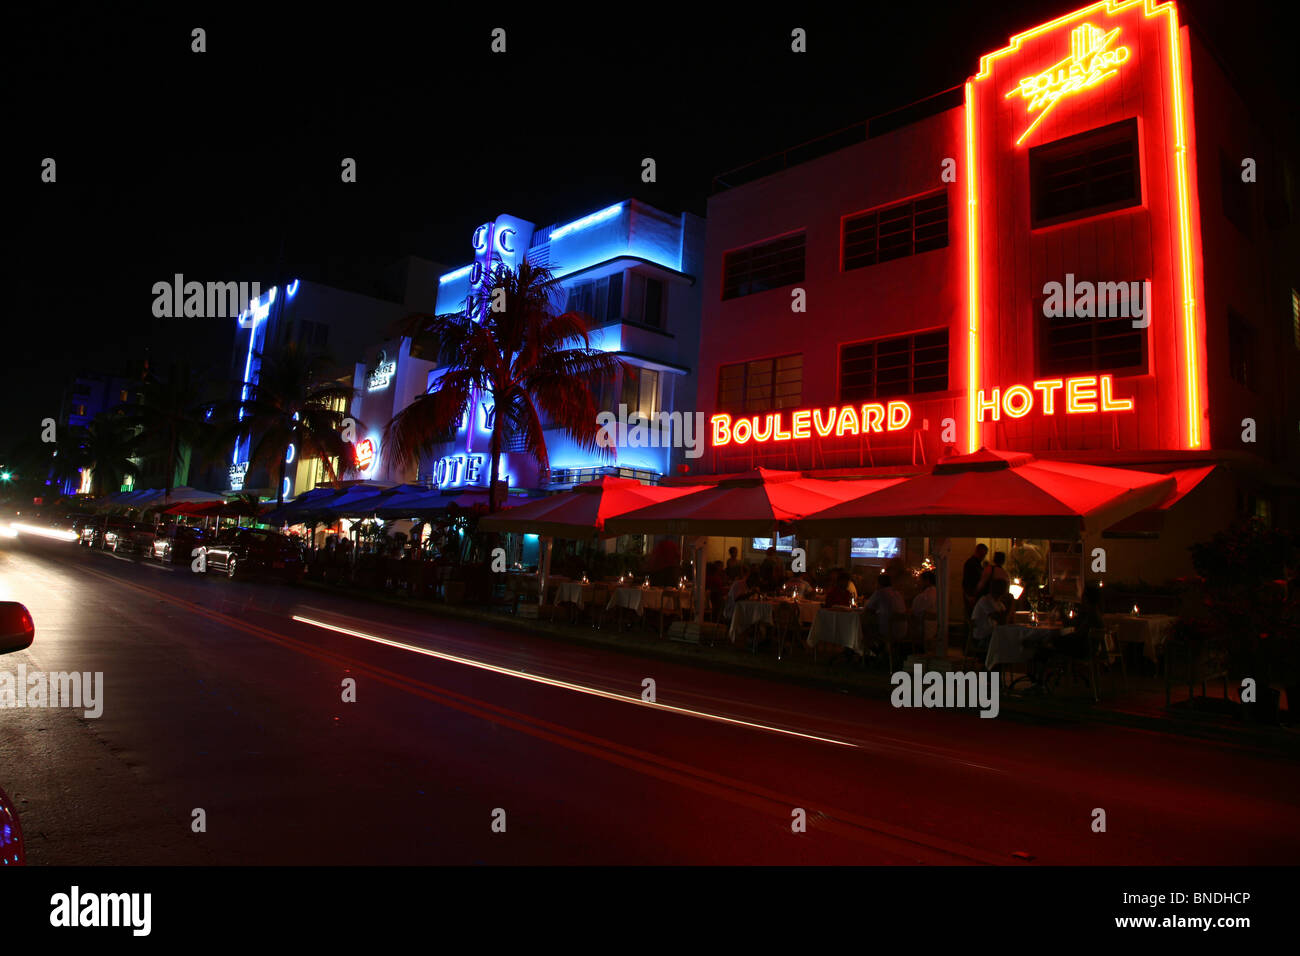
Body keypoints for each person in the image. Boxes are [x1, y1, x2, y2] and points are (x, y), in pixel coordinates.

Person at [970, 577, 1008, 653]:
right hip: (983, 636)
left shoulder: (999, 604)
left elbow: (1006, 619)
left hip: (992, 634)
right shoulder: (985, 600)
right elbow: (999, 619)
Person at [866, 573, 906, 643]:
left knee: (867, 623)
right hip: (903, 630)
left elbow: (868, 607)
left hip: (889, 629)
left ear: (879, 583)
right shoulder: (897, 593)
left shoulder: (880, 592)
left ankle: (874, 650)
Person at [962, 543, 989, 617]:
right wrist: (970, 595)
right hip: (972, 595)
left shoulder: (975, 564)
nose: (984, 556)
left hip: (973, 595)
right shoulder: (973, 564)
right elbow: (967, 581)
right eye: (984, 554)